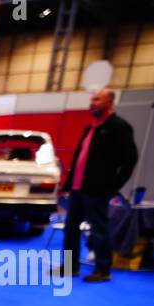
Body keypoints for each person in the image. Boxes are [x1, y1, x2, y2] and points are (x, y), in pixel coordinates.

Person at [60, 88, 138, 284]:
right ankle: (70, 267)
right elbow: (80, 159)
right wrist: (68, 185)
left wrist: (113, 186)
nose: (92, 103)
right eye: (92, 99)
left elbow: (130, 160)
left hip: (97, 190)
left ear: (109, 102)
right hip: (78, 188)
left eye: (97, 99)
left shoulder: (118, 127)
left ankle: (103, 270)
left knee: (99, 229)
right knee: (71, 228)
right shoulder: (91, 128)